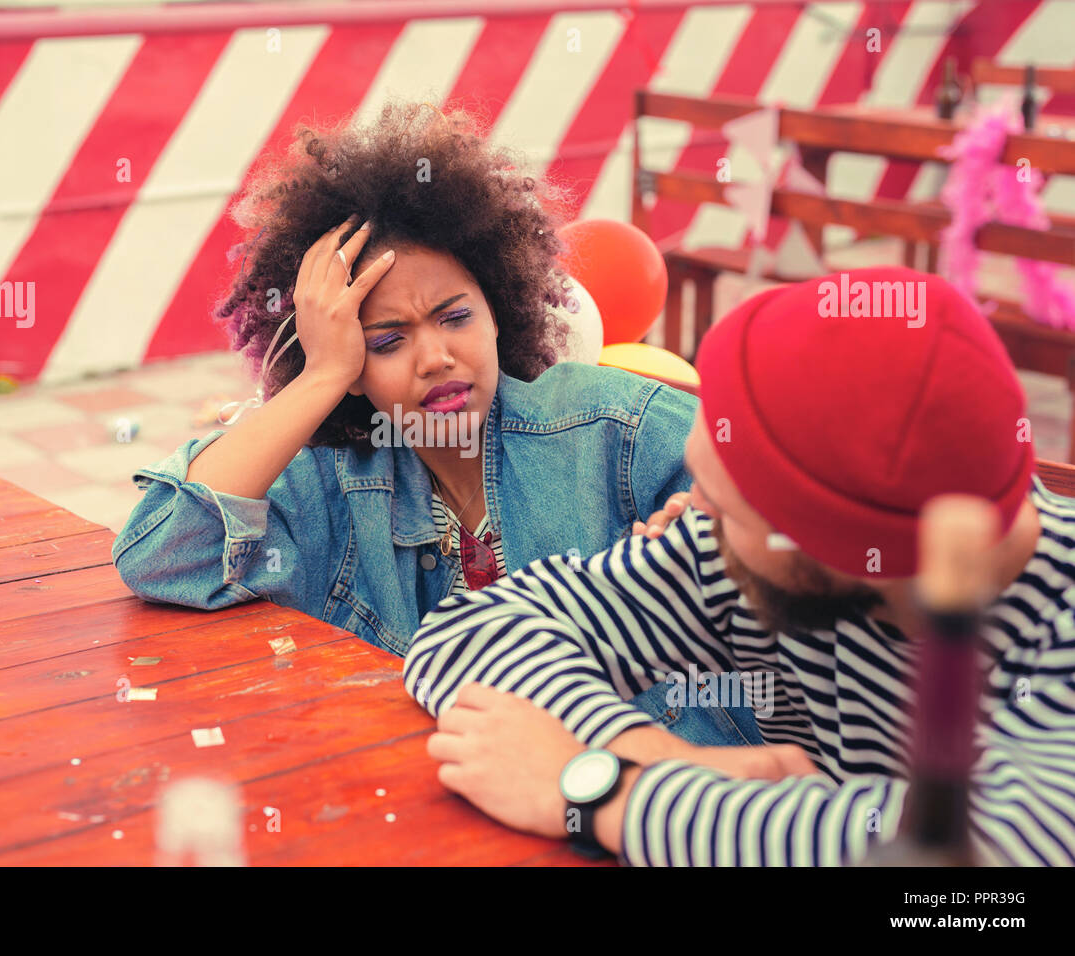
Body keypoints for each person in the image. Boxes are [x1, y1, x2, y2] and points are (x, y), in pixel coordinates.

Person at [404, 266, 1075, 865]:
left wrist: (599, 792)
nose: (693, 514)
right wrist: (644, 747)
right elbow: (468, 629)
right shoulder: (734, 550)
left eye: (724, 510)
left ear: (831, 548)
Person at [110, 102, 696, 658]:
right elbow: (162, 559)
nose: (435, 357)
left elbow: (769, 525)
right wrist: (321, 378)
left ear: (498, 311)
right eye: (386, 342)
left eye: (456, 317)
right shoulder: (332, 485)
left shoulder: (612, 427)